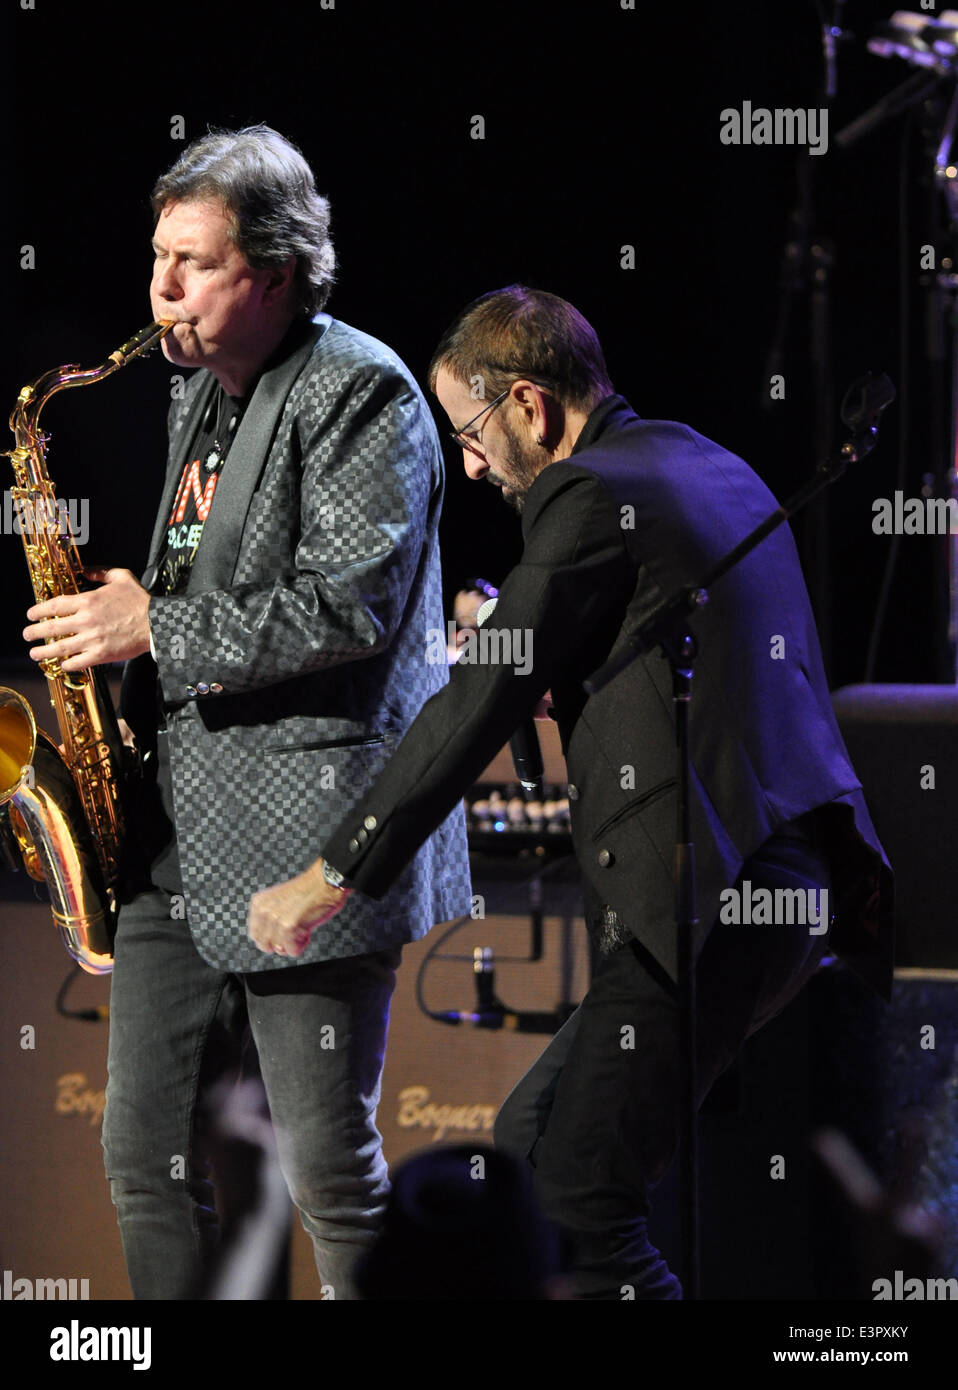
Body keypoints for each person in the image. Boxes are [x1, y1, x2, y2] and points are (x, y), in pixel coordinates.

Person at [247, 284, 893, 1300]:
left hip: (716, 884)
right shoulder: (698, 459)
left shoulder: (587, 493)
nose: (468, 464)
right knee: (538, 1148)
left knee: (575, 1191)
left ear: (529, 406)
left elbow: (473, 704)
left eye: (469, 432)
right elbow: (675, 644)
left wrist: (335, 870)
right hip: (777, 872)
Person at [22, 125, 471, 1300]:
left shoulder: (359, 387)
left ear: (273, 272)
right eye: (158, 260)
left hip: (312, 837)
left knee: (330, 1173)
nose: (161, 291)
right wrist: (132, 621)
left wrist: (154, 629)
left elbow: (352, 606)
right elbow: (209, 584)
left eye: (194, 264)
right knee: (141, 1157)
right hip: (177, 838)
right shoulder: (202, 399)